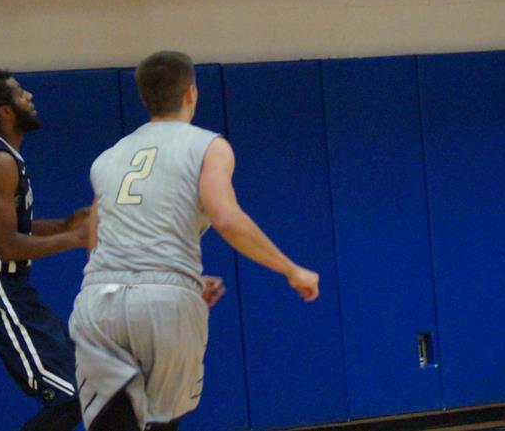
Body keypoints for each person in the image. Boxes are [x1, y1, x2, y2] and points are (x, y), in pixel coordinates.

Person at [70, 51, 319, 431]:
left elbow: (96, 234)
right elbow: (225, 217)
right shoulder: (208, 145)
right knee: (161, 423)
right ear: (192, 93)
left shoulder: (108, 157)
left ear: (144, 98)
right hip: (165, 305)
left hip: (97, 301)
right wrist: (290, 268)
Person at [0, 70, 97, 431]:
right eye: (19, 92)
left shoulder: (1, 156)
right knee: (69, 394)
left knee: (84, 384)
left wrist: (63, 226)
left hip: (8, 288)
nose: (29, 96)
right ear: (5, 111)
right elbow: (8, 246)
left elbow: (11, 230)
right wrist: (77, 239)